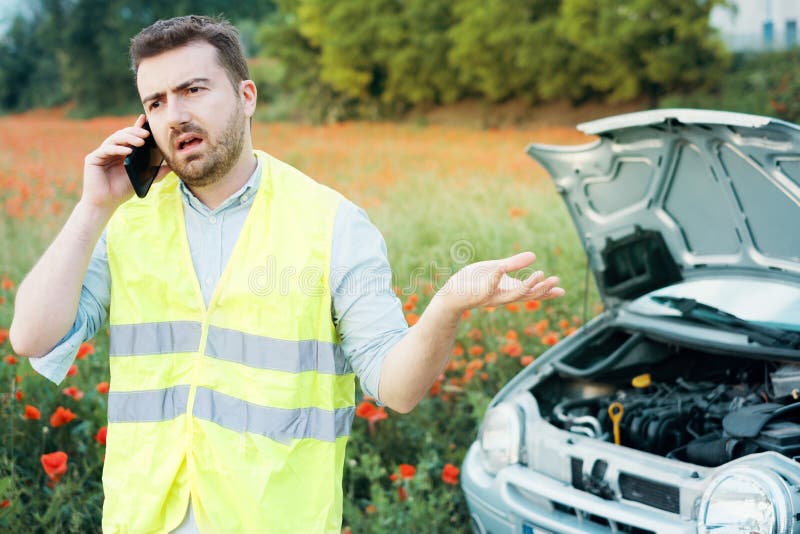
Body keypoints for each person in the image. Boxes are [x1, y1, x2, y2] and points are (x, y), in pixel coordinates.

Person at [9, 15, 564, 534]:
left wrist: (445, 308)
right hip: (144, 521)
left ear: (246, 96)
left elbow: (397, 389)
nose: (174, 115)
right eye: (156, 102)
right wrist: (94, 207)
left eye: (193, 89)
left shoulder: (332, 224)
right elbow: (33, 337)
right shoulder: (126, 221)